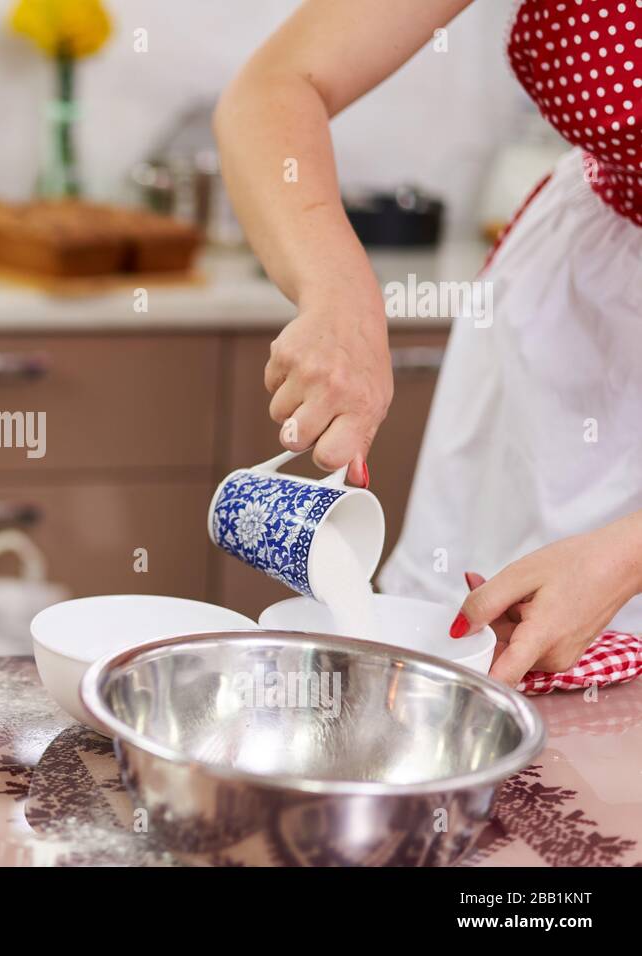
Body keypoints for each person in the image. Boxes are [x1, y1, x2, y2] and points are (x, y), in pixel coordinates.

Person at [214, 0, 642, 685]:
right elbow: (281, 84)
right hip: (575, 309)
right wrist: (339, 293)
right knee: (472, 662)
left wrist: (625, 556)